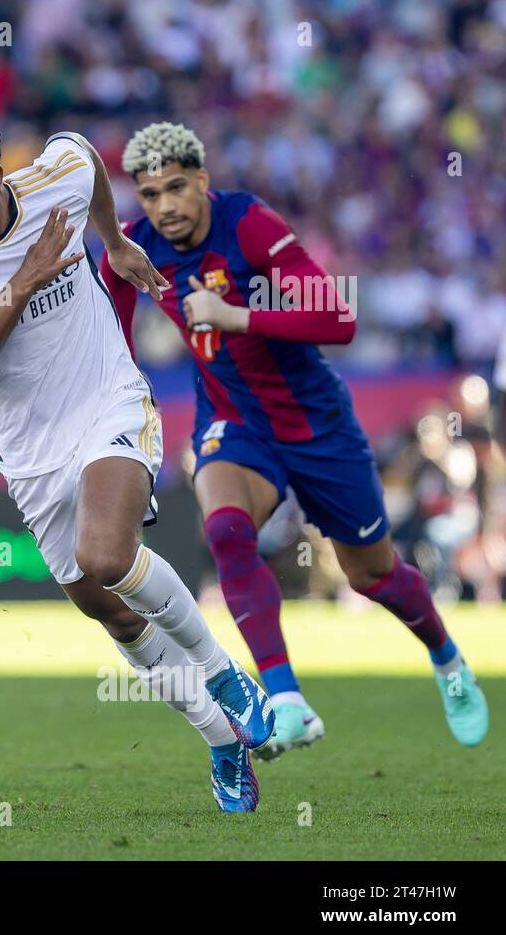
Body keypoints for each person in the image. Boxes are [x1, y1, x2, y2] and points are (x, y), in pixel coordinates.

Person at [0, 108, 274, 812]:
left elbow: (87, 163)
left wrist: (113, 241)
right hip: (29, 448)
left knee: (107, 555)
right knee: (110, 610)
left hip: (109, 397)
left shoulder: (57, 177)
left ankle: (227, 677)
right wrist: (26, 280)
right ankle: (220, 738)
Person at [102, 121, 489, 756]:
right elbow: (111, 342)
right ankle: (286, 699)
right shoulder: (137, 247)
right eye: (149, 194)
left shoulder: (248, 222)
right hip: (233, 422)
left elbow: (338, 319)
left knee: (372, 575)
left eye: (177, 187)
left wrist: (236, 316)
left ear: (203, 181)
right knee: (226, 531)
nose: (165, 206)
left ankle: (448, 660)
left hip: (315, 425)